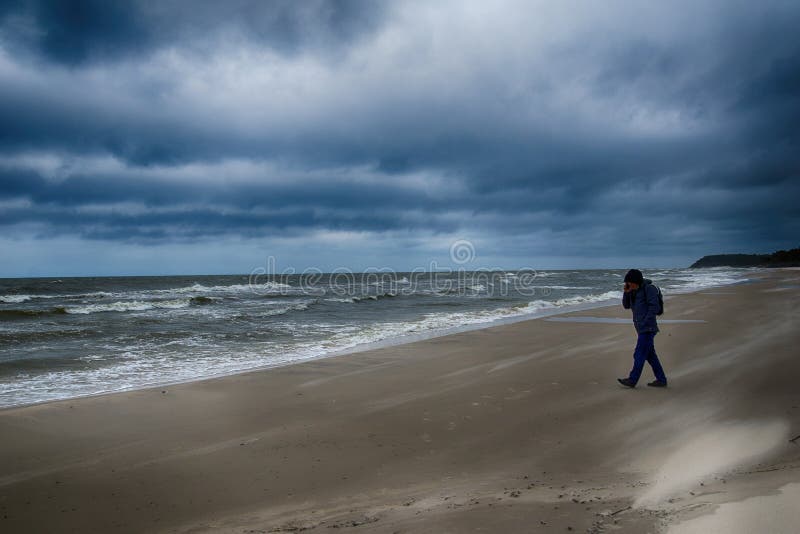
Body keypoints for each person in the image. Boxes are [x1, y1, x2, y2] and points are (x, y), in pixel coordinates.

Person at [617, 269, 668, 388]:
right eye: (627, 283)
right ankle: (661, 379)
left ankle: (632, 380)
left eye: (630, 282)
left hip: (648, 328)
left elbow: (654, 307)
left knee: (639, 353)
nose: (629, 284)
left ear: (637, 281)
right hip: (640, 329)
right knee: (650, 355)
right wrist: (626, 292)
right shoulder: (633, 291)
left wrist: (645, 322)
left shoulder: (648, 289)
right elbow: (626, 306)